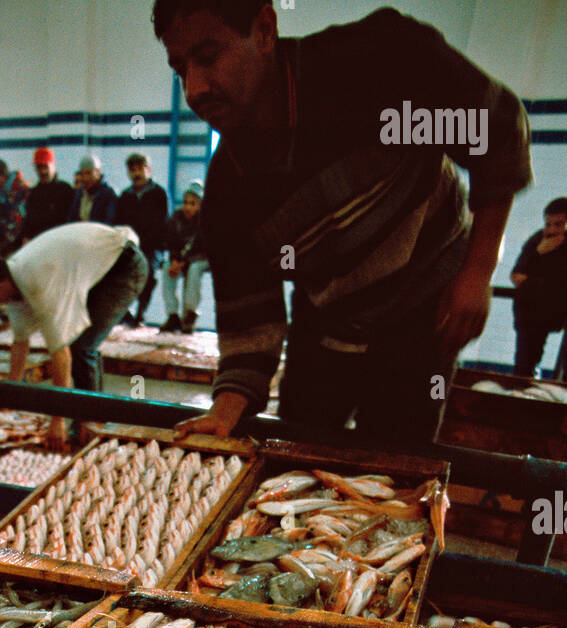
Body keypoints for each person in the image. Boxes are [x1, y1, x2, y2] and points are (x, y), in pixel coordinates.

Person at [153, 1, 533, 448]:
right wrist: (225, 409)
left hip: (425, 307)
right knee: (298, 448)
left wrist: (478, 271)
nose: (194, 89)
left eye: (208, 56)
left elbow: (498, 131)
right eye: (180, 69)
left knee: (395, 457)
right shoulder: (229, 190)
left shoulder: (380, 63)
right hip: (328, 320)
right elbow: (250, 318)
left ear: (264, 30)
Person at [0, 223, 148, 446]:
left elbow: (62, 353)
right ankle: (91, 416)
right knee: (83, 346)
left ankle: (90, 422)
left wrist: (57, 419)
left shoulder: (39, 281)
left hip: (123, 266)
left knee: (82, 346)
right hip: (99, 266)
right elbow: (20, 342)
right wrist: (10, 399)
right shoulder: (12, 282)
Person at [510, 198, 567, 378]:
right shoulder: (538, 240)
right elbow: (516, 276)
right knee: (524, 367)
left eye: (558, 224)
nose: (552, 230)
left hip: (558, 306)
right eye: (548, 224)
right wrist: (537, 254)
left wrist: (534, 281)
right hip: (532, 310)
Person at [114, 153, 169, 325]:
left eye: (140, 169)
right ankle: (124, 311)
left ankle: (141, 313)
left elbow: (164, 225)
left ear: (148, 170)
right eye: (132, 170)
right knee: (117, 270)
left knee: (149, 271)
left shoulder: (159, 194)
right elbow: (119, 224)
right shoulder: (125, 196)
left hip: (153, 247)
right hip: (130, 246)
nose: (136, 174)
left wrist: (154, 246)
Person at [160, 179, 208, 332]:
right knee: (166, 268)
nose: (187, 207)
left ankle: (190, 313)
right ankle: (172, 315)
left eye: (193, 203)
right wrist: (174, 260)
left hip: (201, 259)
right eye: (186, 202)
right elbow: (171, 242)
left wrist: (184, 262)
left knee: (194, 269)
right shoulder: (176, 218)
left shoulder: (205, 220)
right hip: (181, 258)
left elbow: (203, 247)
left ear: (200, 205)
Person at [23, 147, 73, 243]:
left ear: (53, 166)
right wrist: (26, 236)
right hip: (38, 244)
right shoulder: (33, 194)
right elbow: (29, 221)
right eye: (39, 167)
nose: (42, 171)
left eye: (45, 166)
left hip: (60, 242)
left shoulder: (65, 190)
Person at [69, 155, 117, 225]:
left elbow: (109, 222)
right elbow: (72, 219)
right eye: (82, 174)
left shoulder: (109, 194)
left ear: (98, 172)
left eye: (88, 173)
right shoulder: (79, 193)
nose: (85, 178)